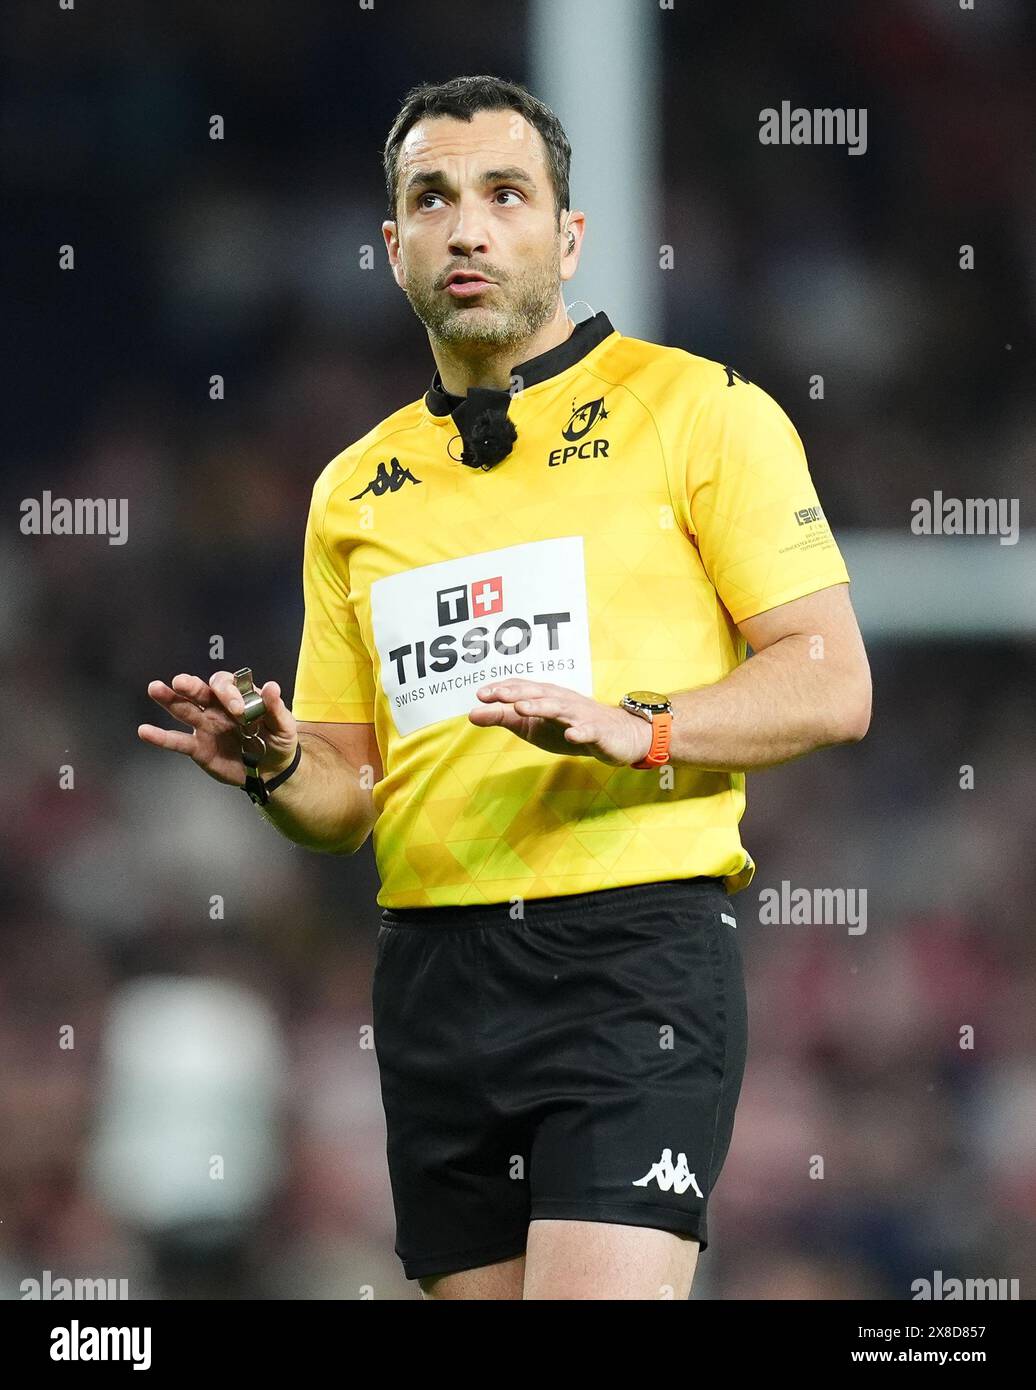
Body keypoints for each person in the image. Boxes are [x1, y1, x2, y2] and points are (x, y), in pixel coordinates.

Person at [138, 74, 871, 1300]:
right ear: (393, 246)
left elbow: (831, 681)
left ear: (566, 235)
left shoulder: (696, 410)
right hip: (431, 979)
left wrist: (638, 727)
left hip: (630, 953)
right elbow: (346, 798)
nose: (467, 227)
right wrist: (271, 766)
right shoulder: (354, 488)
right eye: (432, 199)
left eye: (503, 194)